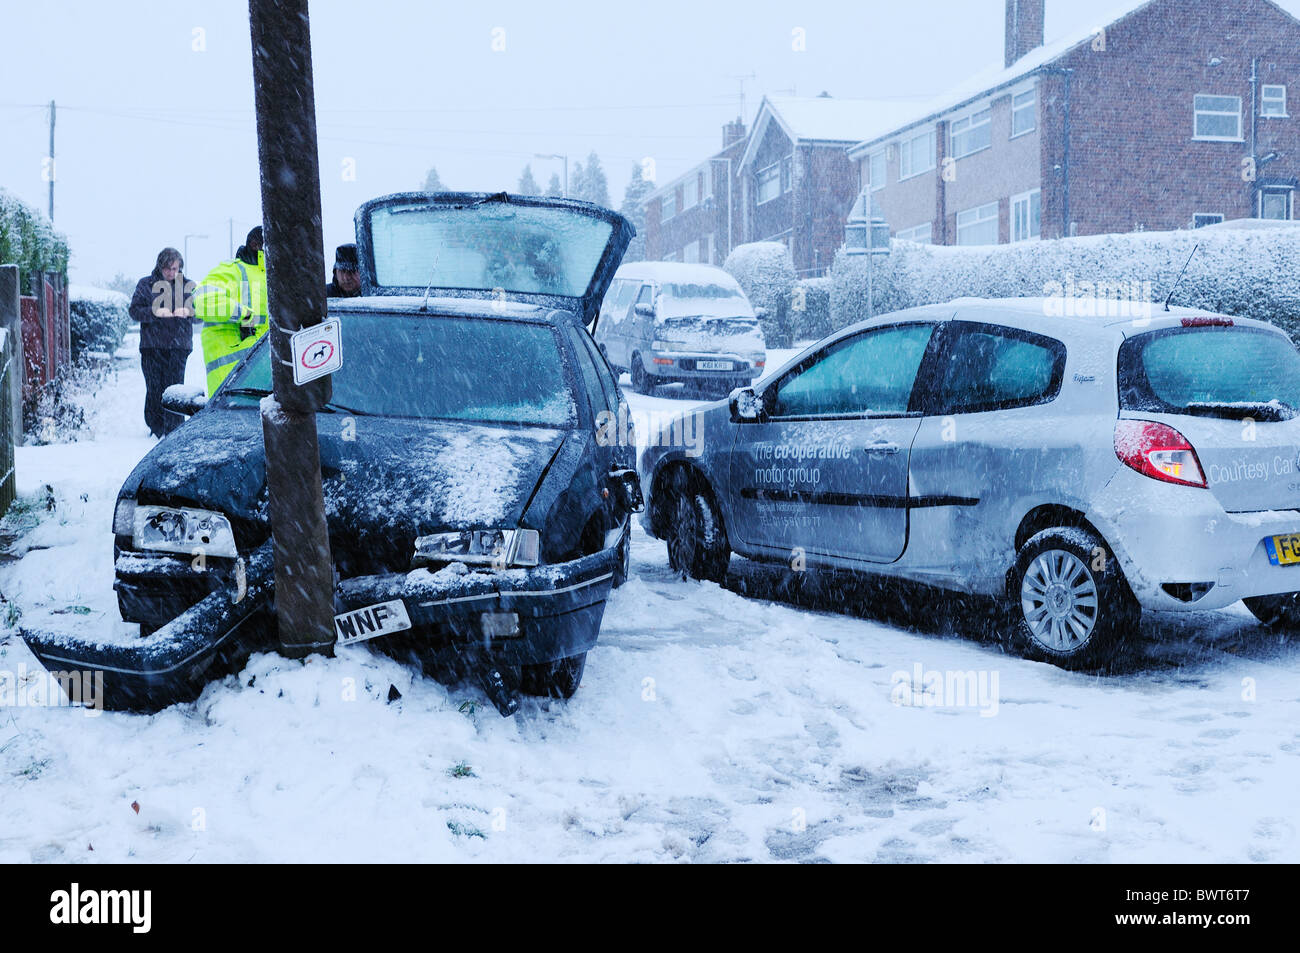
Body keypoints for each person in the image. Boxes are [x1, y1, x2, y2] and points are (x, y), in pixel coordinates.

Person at [193, 226, 269, 394]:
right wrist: (244, 315)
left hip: (263, 379)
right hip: (229, 382)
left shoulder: (273, 277)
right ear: (256, 245)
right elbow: (202, 300)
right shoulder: (232, 270)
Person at [130, 248, 194, 438]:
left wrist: (189, 312)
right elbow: (134, 311)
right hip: (152, 347)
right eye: (168, 268)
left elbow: (199, 314)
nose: (171, 273)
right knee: (154, 388)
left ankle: (174, 429)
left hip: (179, 347)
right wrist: (154, 312)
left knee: (175, 389)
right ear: (160, 266)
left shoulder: (187, 286)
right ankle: (156, 427)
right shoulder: (146, 284)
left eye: (175, 268)